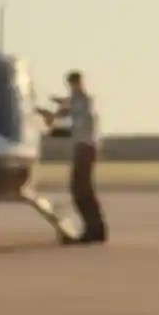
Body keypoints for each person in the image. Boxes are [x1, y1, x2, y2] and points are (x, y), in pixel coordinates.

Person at [39, 70, 107, 243]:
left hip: (84, 148)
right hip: (86, 147)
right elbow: (69, 111)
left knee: (81, 190)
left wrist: (52, 122)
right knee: (83, 190)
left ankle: (93, 230)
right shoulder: (82, 102)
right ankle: (96, 228)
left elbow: (72, 123)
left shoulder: (81, 102)